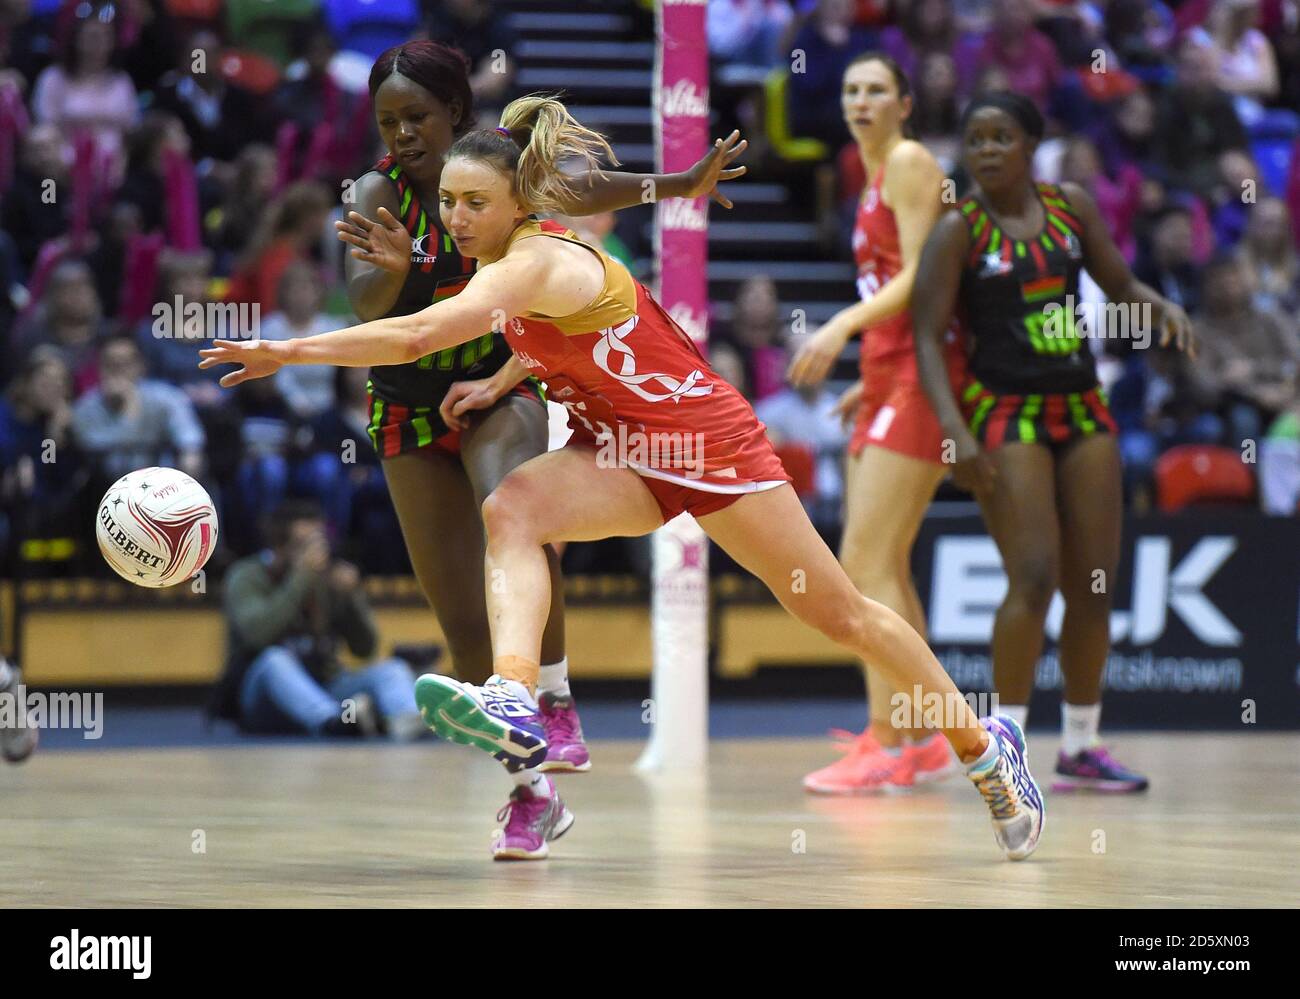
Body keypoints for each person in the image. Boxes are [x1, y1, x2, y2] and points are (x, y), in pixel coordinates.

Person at [201, 93, 1046, 864]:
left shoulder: (528, 263)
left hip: (706, 445)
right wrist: (498, 382)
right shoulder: (516, 251)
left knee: (841, 614)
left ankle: (982, 747)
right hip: (622, 448)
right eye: (448, 202)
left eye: (474, 203)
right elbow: (557, 325)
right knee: (515, 508)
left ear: (518, 205)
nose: (456, 217)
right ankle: (516, 696)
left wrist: (286, 350)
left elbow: (419, 336)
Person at [332, 41, 748, 778]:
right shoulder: (375, 192)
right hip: (406, 407)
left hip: (497, 384)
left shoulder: (501, 173)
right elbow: (367, 305)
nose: (401, 134)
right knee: (466, 632)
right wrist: (396, 273)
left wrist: (680, 182)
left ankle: (554, 701)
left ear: (455, 110)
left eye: (417, 117)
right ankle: (530, 792)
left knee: (516, 516)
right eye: (387, 119)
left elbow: (584, 189)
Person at [911, 91, 1194, 794]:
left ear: (1032, 144)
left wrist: (1158, 306)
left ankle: (1081, 743)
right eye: (975, 140)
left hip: (1082, 404)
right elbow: (924, 333)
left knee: (1094, 584)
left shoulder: (1071, 206)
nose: (985, 151)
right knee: (1033, 576)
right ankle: (1004, 744)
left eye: (1001, 137)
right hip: (1005, 411)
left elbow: (1119, 280)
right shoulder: (959, 228)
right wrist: (954, 429)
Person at [786, 54, 965, 794]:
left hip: (923, 379)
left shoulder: (911, 160)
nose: (860, 100)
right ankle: (919, 736)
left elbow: (922, 274)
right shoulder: (869, 174)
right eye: (851, 89)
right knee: (882, 562)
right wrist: (871, 373)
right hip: (892, 374)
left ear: (905, 101)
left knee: (863, 564)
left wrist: (840, 330)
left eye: (876, 90)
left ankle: (889, 741)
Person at [210, 500, 425, 740]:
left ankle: (406, 718)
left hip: (326, 683)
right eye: (305, 544)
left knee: (392, 669)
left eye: (321, 542)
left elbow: (366, 648)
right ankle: (333, 721)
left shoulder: (326, 578)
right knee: (275, 660)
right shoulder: (247, 576)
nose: (318, 552)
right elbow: (258, 633)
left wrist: (352, 597)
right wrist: (300, 578)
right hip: (263, 695)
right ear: (280, 547)